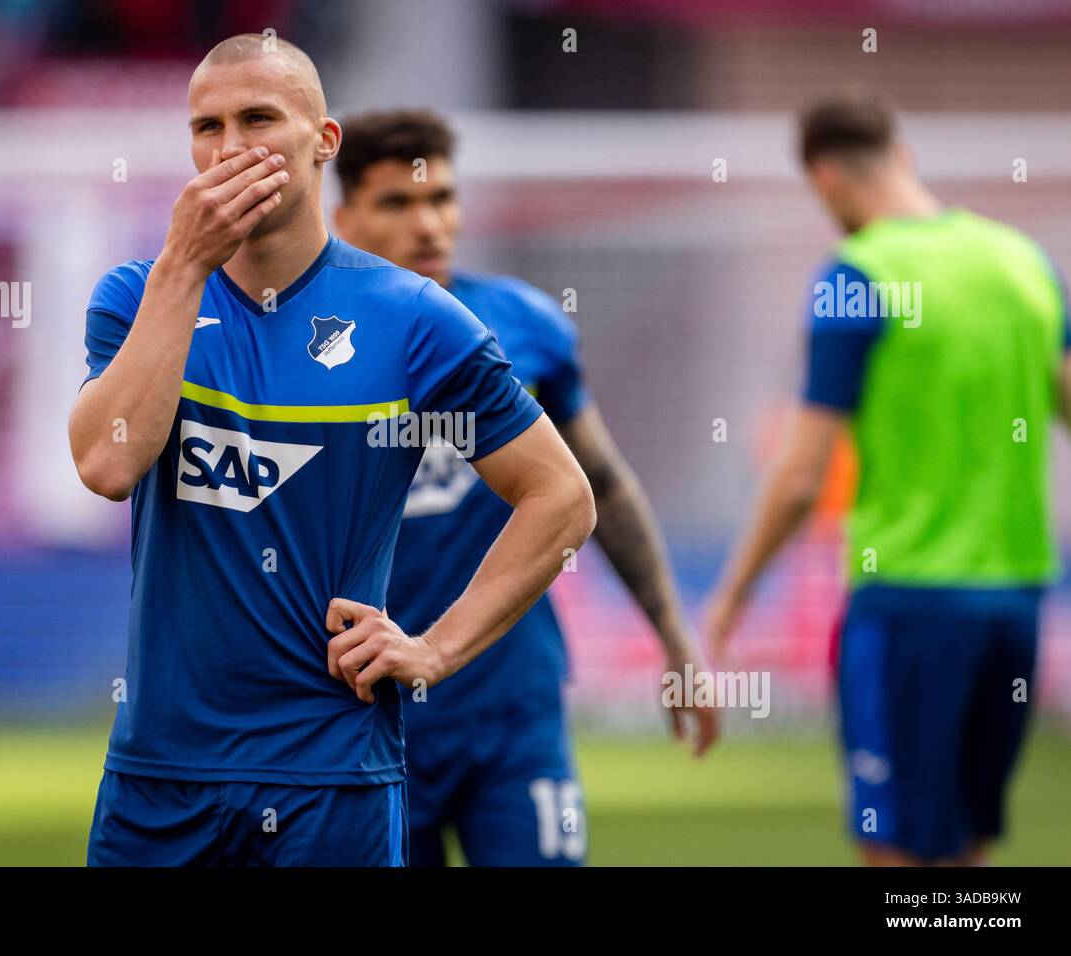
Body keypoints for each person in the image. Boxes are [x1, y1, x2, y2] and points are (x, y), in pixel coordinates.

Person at [70, 35, 596, 867]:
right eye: (207, 127)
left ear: (324, 140)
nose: (231, 148)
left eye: (258, 118)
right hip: (158, 778)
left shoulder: (415, 317)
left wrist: (434, 648)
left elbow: (564, 495)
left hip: (332, 780)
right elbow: (106, 466)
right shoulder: (138, 294)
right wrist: (183, 264)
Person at [333, 108, 718, 866]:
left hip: (511, 704)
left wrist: (674, 634)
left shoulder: (527, 324)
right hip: (364, 712)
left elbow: (598, 484)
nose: (428, 223)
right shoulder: (317, 342)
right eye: (397, 203)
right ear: (343, 215)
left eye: (441, 198)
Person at [705, 91, 1069, 866]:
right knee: (968, 846)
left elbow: (801, 476)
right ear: (902, 155)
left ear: (825, 178)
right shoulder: (1023, 260)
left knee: (895, 845)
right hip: (1015, 599)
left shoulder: (858, 275)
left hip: (908, 598)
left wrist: (730, 598)